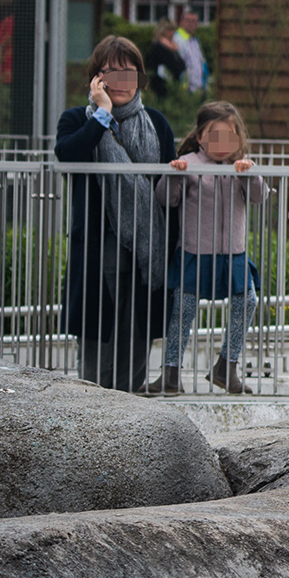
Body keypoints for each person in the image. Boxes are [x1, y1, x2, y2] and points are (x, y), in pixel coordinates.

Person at [55, 36, 177, 391]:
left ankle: (130, 407)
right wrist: (102, 114)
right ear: (98, 78)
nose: (122, 82)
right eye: (113, 73)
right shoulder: (79, 119)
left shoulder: (156, 123)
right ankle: (94, 410)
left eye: (130, 74)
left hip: (147, 248)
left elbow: (166, 186)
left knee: (136, 331)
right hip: (98, 243)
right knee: (99, 334)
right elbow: (69, 153)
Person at [152, 101, 267, 395]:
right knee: (183, 311)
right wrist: (174, 174)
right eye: (214, 136)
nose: (222, 144)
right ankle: (170, 373)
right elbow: (167, 198)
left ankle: (226, 366)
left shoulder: (241, 165)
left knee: (248, 301)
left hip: (234, 253)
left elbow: (259, 197)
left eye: (229, 137)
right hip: (194, 252)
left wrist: (249, 174)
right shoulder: (189, 162)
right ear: (201, 137)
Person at [144, 19, 187, 99]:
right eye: (169, 30)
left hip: (173, 84)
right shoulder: (159, 47)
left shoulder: (173, 46)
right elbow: (173, 65)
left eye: (173, 30)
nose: (172, 33)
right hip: (161, 85)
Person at [175, 8, 207, 93]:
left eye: (193, 21)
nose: (190, 24)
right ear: (181, 22)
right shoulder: (178, 40)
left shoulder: (194, 41)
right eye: (187, 20)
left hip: (197, 89)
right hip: (186, 90)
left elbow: (200, 63)